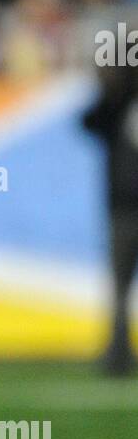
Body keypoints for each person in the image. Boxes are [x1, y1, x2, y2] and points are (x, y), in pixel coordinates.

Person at [83, 53, 138, 375]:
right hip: (123, 207)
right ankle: (118, 355)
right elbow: (90, 122)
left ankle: (117, 356)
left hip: (122, 205)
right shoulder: (118, 103)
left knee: (119, 287)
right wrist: (112, 90)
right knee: (118, 288)